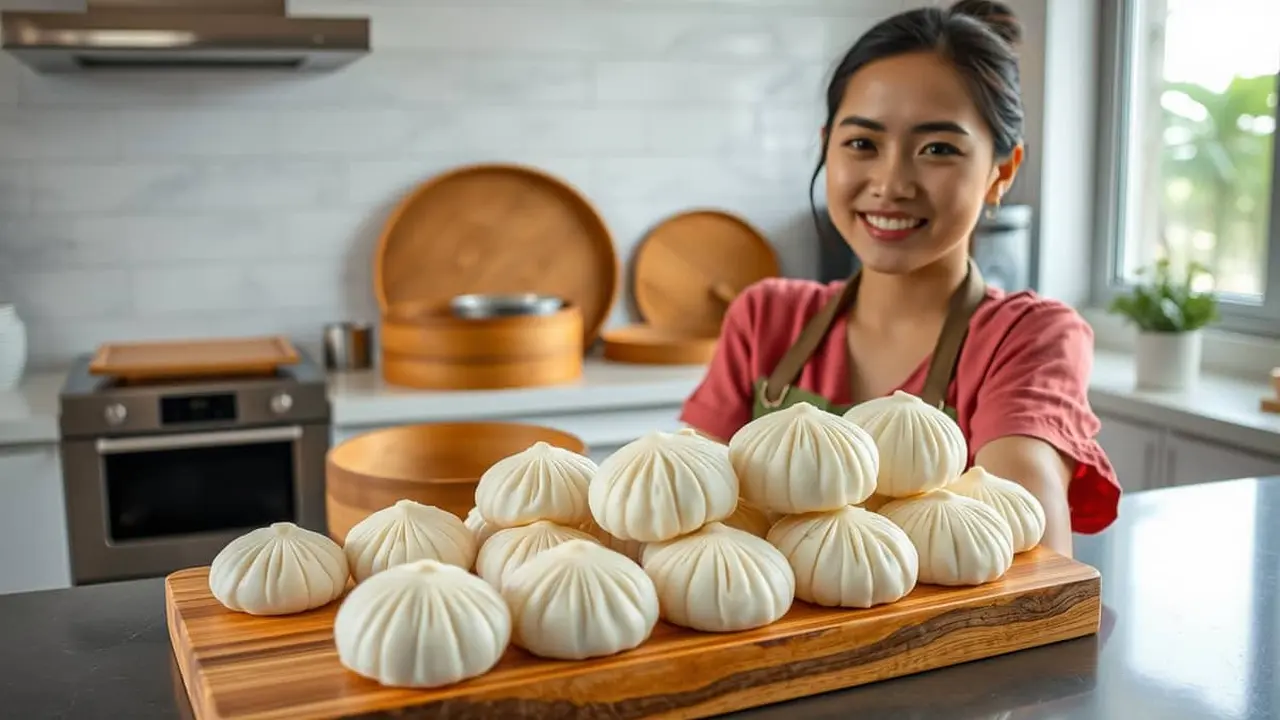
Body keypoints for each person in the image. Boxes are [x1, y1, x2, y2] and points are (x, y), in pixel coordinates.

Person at [679, 0, 1120, 558]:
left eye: (938, 149)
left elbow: (1028, 563)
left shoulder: (1026, 338)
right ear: (826, 148)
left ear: (999, 173)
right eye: (862, 143)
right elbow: (683, 509)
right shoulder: (767, 318)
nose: (891, 184)